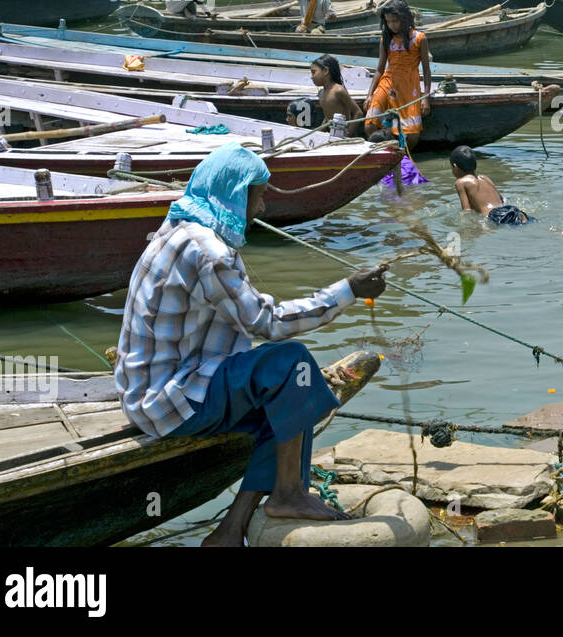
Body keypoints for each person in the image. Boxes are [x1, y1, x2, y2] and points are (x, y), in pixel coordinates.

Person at [114, 143, 388, 546]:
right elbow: (267, 322)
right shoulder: (208, 252)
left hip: (149, 390)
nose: (259, 208)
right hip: (166, 400)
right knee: (293, 364)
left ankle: (230, 529)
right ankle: (289, 492)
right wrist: (347, 290)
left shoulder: (179, 227)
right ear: (235, 193)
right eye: (256, 196)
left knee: (290, 400)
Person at [364, 0, 432, 150]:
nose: (392, 25)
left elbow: (426, 70)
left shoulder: (420, 38)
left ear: (404, 18)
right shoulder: (385, 39)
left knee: (412, 134)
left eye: (395, 21)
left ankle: (402, 157)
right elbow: (379, 69)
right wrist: (370, 94)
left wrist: (426, 98)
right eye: (388, 22)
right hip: (387, 82)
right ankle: (383, 154)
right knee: (370, 124)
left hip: (409, 84)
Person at [451, 145, 532, 225]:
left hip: (495, 216)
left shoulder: (460, 182)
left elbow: (467, 210)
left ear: (455, 167)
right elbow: (502, 199)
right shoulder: (485, 178)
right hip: (511, 210)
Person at [308, 54, 361, 134]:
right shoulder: (321, 93)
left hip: (342, 134)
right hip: (331, 133)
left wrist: (349, 134)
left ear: (325, 71)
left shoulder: (338, 91)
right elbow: (328, 116)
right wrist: (319, 132)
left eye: (313, 72)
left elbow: (358, 112)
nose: (311, 77)